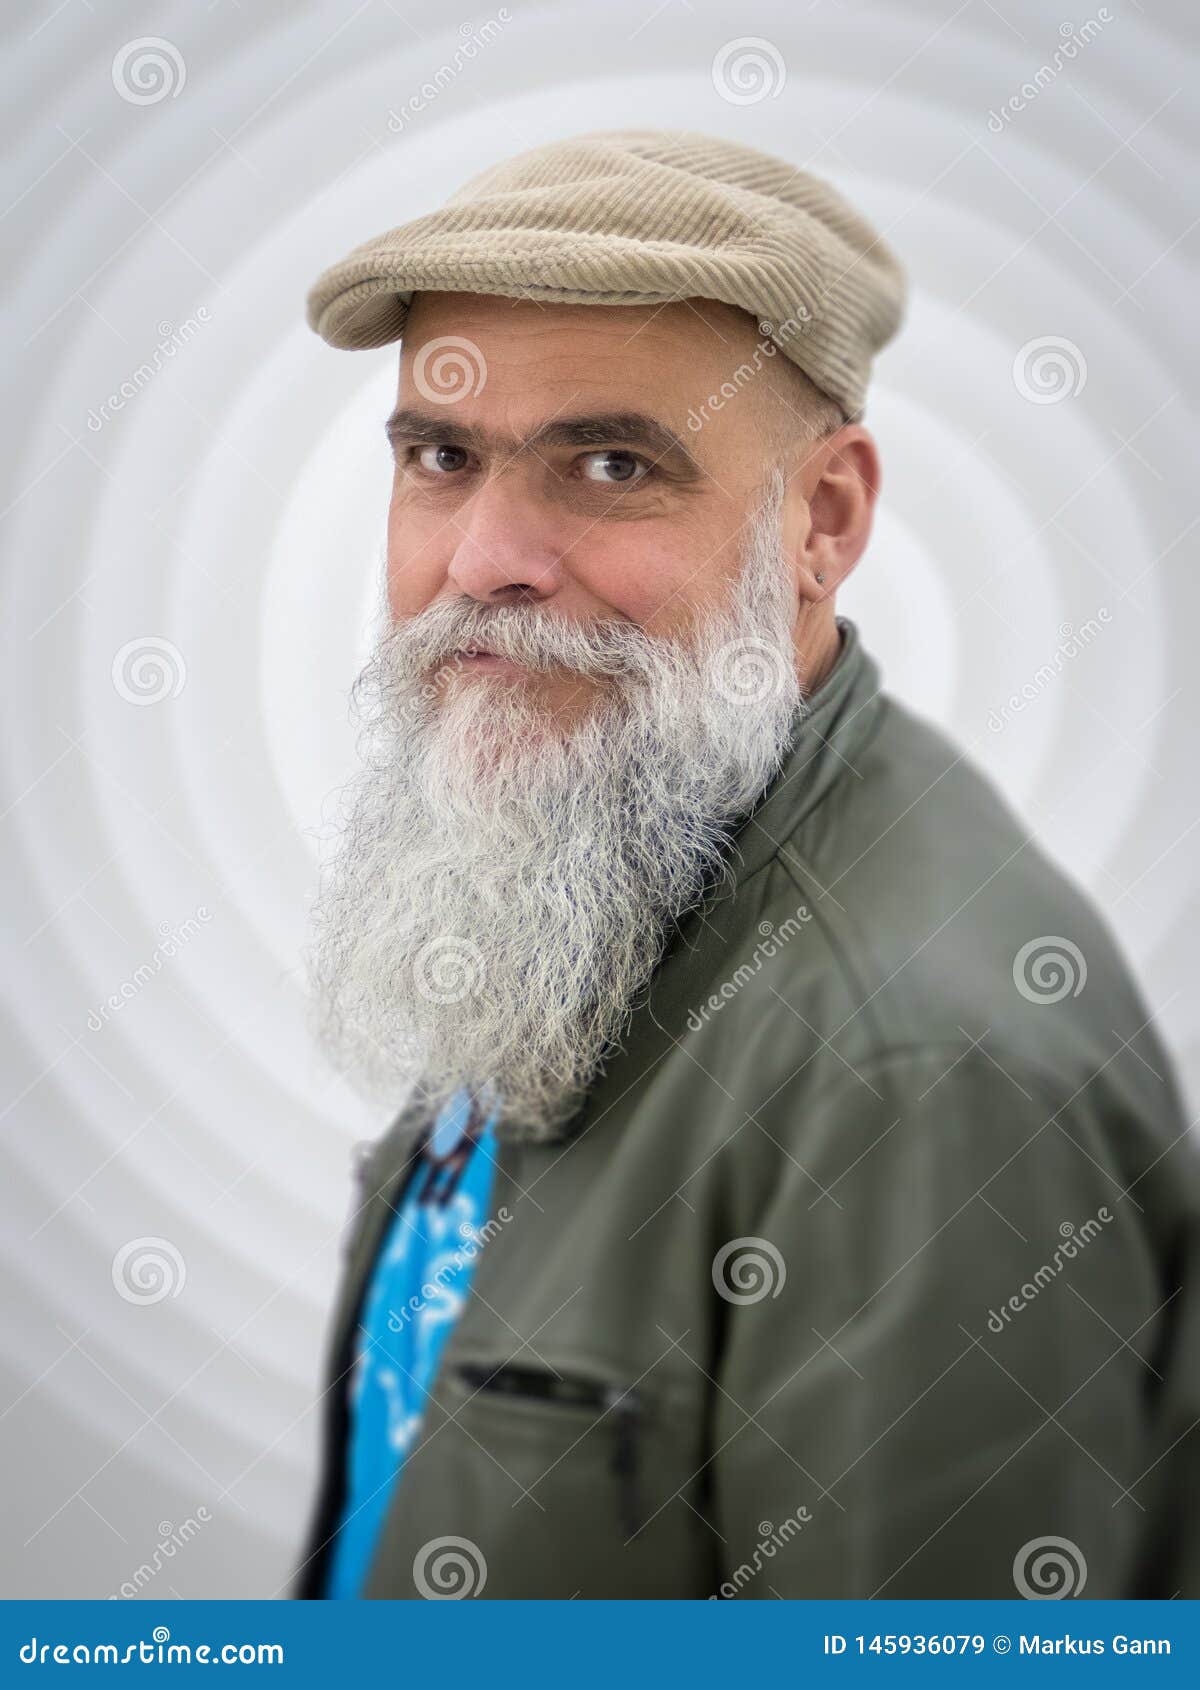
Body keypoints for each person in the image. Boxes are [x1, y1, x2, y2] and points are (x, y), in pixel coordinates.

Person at [294, 130, 1200, 1600]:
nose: (485, 559)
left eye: (609, 464)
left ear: (823, 520)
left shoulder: (917, 1078)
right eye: (442, 459)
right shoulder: (583, 852)